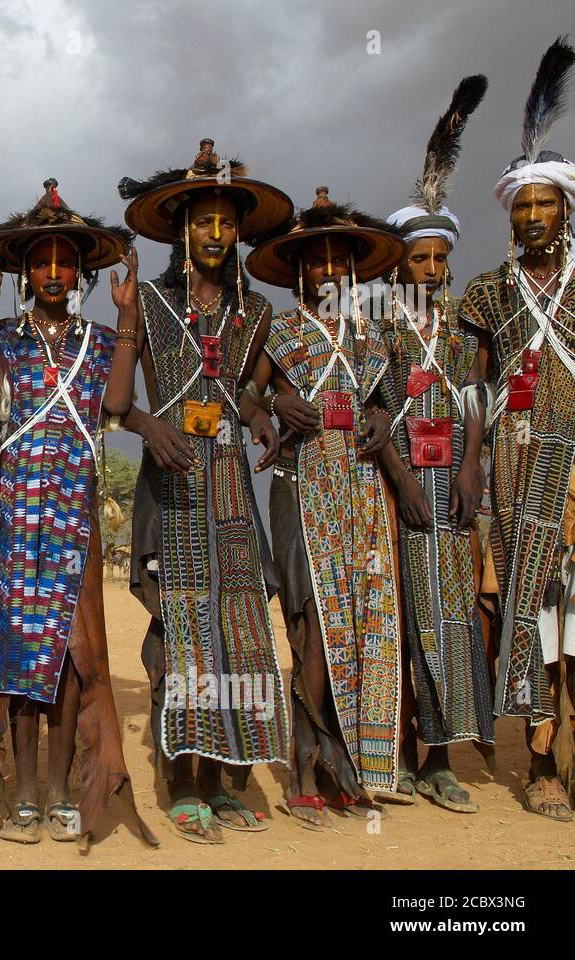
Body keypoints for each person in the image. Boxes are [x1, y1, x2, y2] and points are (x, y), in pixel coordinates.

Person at [0, 178, 157, 847]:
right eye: (39, 261)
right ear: (22, 270)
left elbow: (117, 404)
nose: (51, 271)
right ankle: (24, 794)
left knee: (74, 651)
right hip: (17, 511)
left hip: (74, 510)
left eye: (63, 262)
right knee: (14, 649)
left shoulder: (99, 340)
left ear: (79, 273)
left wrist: (128, 315)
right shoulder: (6, 337)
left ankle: (63, 788)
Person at [115, 143, 292, 842]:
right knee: (186, 634)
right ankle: (182, 781)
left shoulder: (258, 315)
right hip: (174, 484)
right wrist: (148, 426)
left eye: (226, 222)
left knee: (240, 633)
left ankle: (221, 778)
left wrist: (259, 417)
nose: (216, 234)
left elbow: (243, 393)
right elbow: (116, 401)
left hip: (231, 488)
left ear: (239, 231)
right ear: (182, 229)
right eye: (204, 222)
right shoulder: (150, 302)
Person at [245, 188, 404, 829]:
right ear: (301, 270)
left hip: (364, 492)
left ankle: (348, 767)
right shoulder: (279, 331)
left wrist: (380, 420)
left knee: (363, 624)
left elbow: (390, 404)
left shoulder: (372, 337)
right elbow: (242, 398)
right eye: (318, 260)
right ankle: (303, 767)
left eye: (342, 259)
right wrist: (274, 408)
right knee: (310, 622)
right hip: (301, 487)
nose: (331, 270)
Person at [458, 37, 575, 822]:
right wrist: (468, 466)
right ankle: (540, 765)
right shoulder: (487, 292)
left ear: (566, 209)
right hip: (509, 466)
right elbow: (471, 388)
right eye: (523, 205)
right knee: (530, 613)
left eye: (547, 204)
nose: (534, 216)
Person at [378, 77, 494, 813]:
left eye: (435, 260)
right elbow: (366, 412)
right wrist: (403, 478)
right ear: (399, 266)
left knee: (451, 614)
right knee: (404, 614)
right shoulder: (382, 330)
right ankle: (399, 752)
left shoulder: (461, 331)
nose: (427, 269)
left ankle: (441, 758)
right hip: (397, 489)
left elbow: (477, 397)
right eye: (415, 259)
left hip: (454, 482)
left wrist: (474, 469)